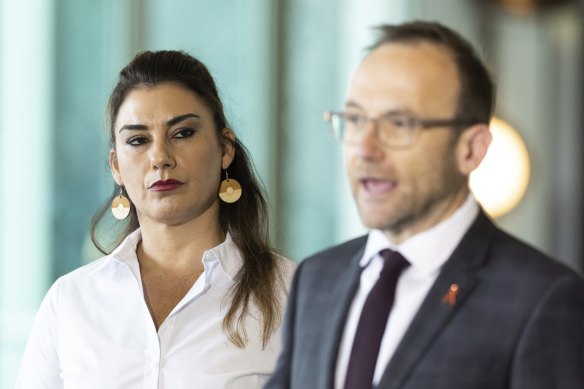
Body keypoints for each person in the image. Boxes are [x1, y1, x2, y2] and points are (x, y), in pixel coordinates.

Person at [265, 21, 584, 389]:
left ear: (471, 149)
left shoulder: (542, 300)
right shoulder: (316, 279)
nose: (365, 149)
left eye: (400, 123)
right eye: (355, 119)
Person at [16, 50, 293, 388]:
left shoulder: (290, 293)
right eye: (138, 140)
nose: (160, 157)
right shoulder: (70, 300)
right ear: (116, 166)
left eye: (183, 133)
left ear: (225, 149)